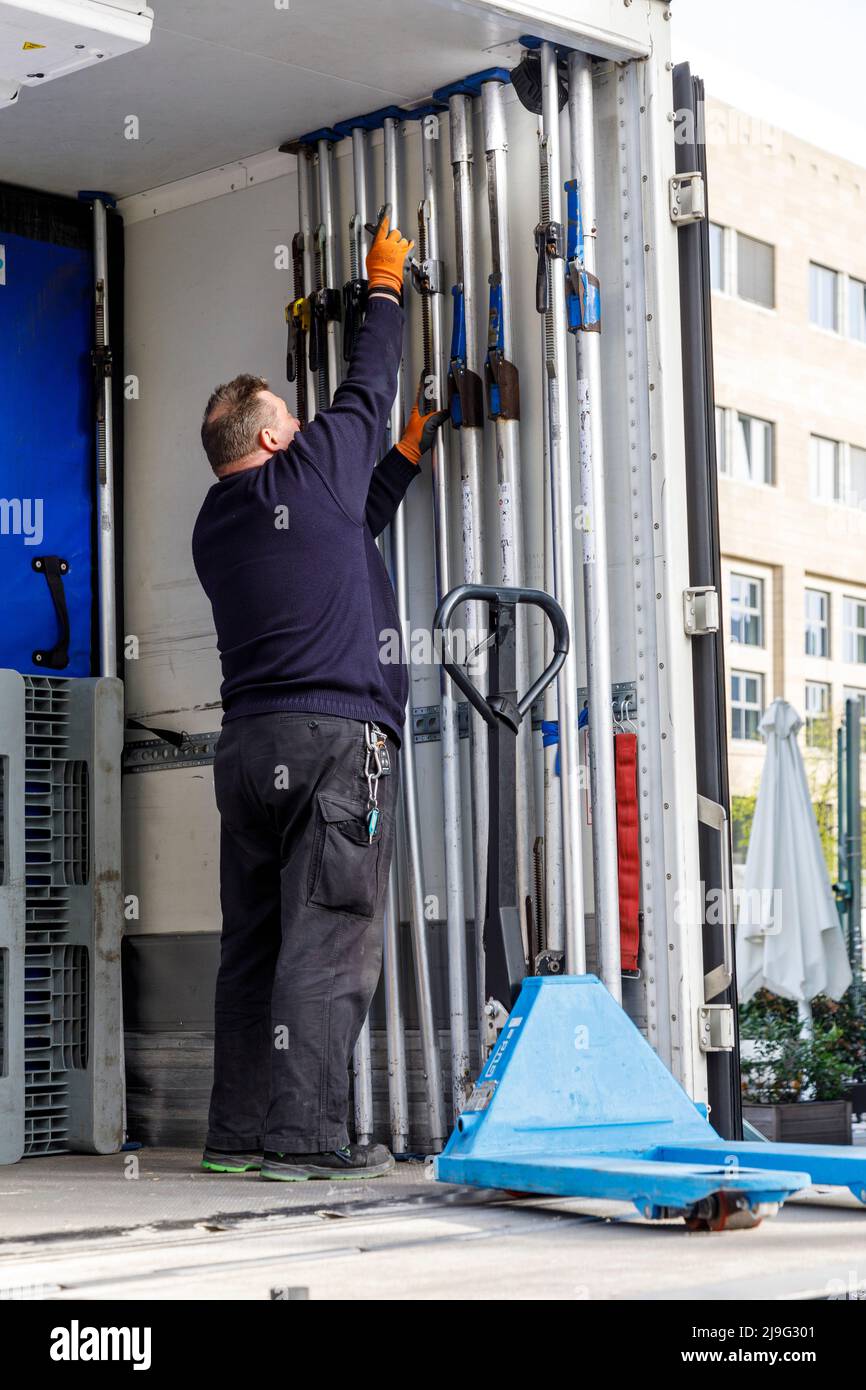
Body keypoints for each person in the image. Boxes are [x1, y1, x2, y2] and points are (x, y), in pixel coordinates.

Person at [192, 216, 447, 1181]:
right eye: (291, 419)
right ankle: (306, 1142)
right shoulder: (305, 470)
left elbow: (340, 526)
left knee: (252, 947)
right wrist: (385, 286)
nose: (306, 427)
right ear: (269, 435)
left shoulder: (217, 526)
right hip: (338, 744)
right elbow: (367, 382)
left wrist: (407, 459)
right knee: (327, 942)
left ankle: (237, 1136)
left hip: (248, 751)